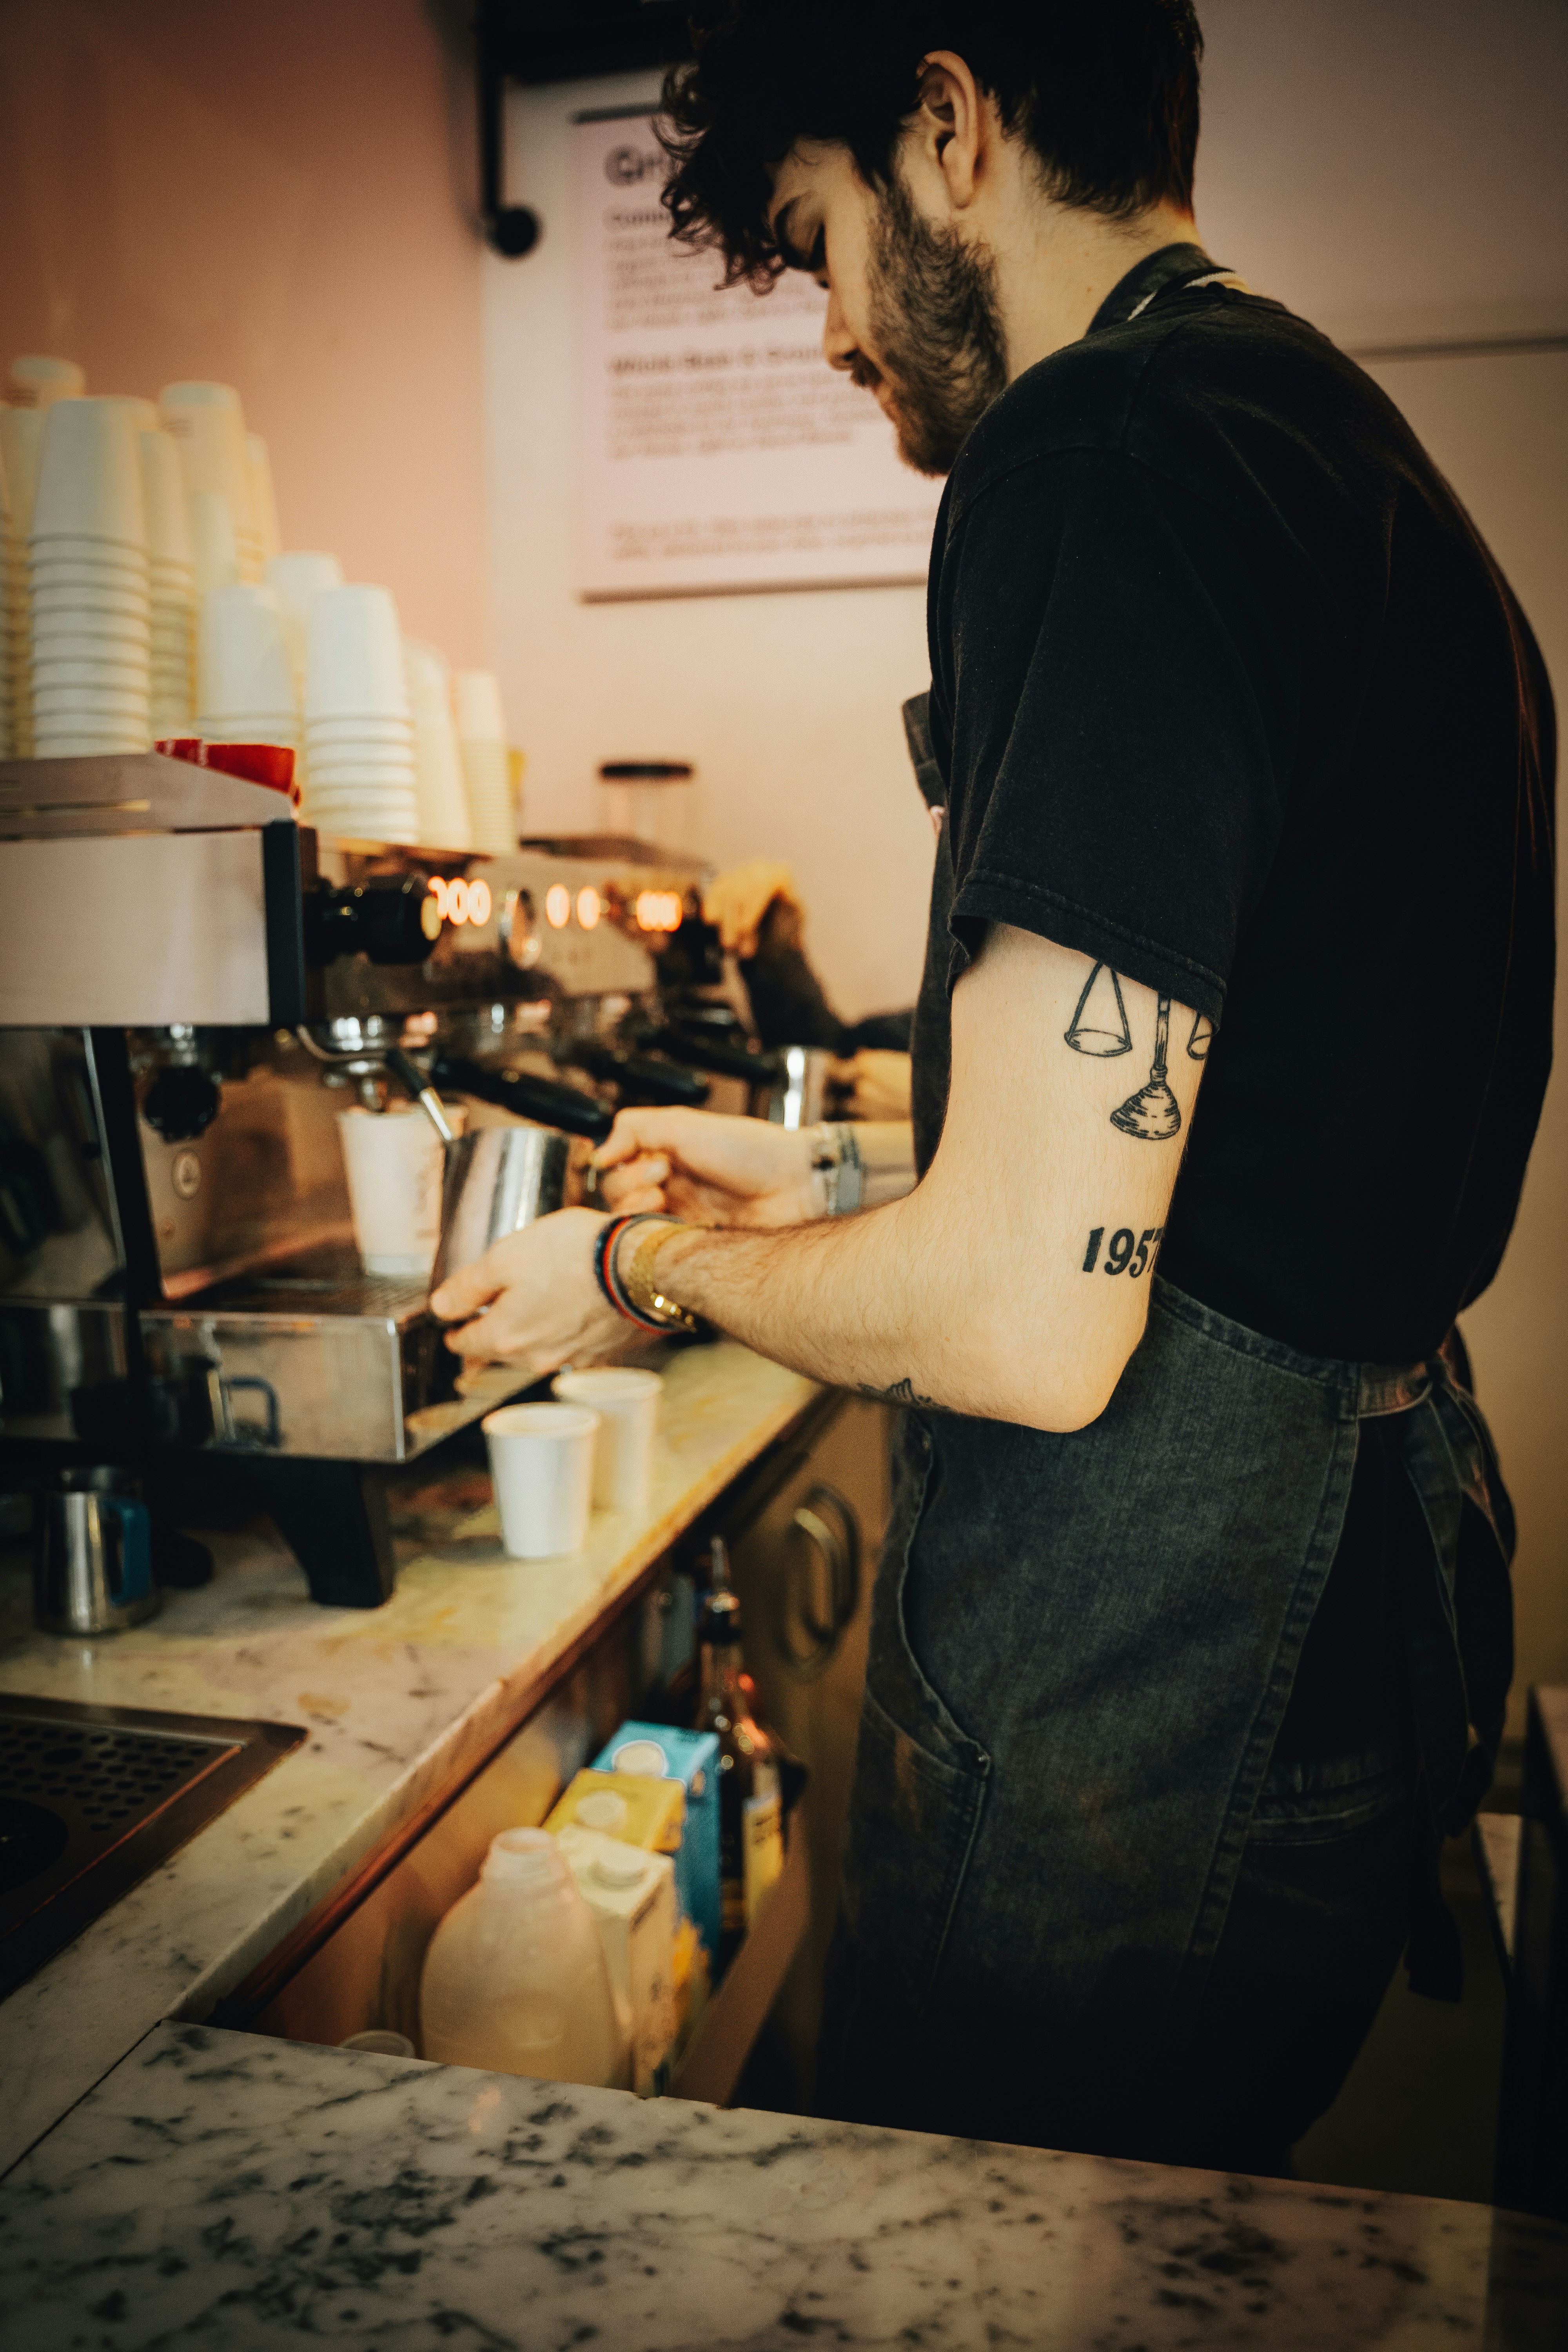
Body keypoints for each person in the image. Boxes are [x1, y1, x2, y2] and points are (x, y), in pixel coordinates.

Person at [430, 0, 1554, 2174]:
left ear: (948, 126)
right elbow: (1246, 1118)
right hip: (1353, 1619)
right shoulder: (1336, 447)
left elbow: (1035, 1324)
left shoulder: (1101, 448)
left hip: (1153, 1681)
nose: (835, 332)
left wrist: (634, 1261)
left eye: (819, 235)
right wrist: (832, 1169)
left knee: (962, 2254)